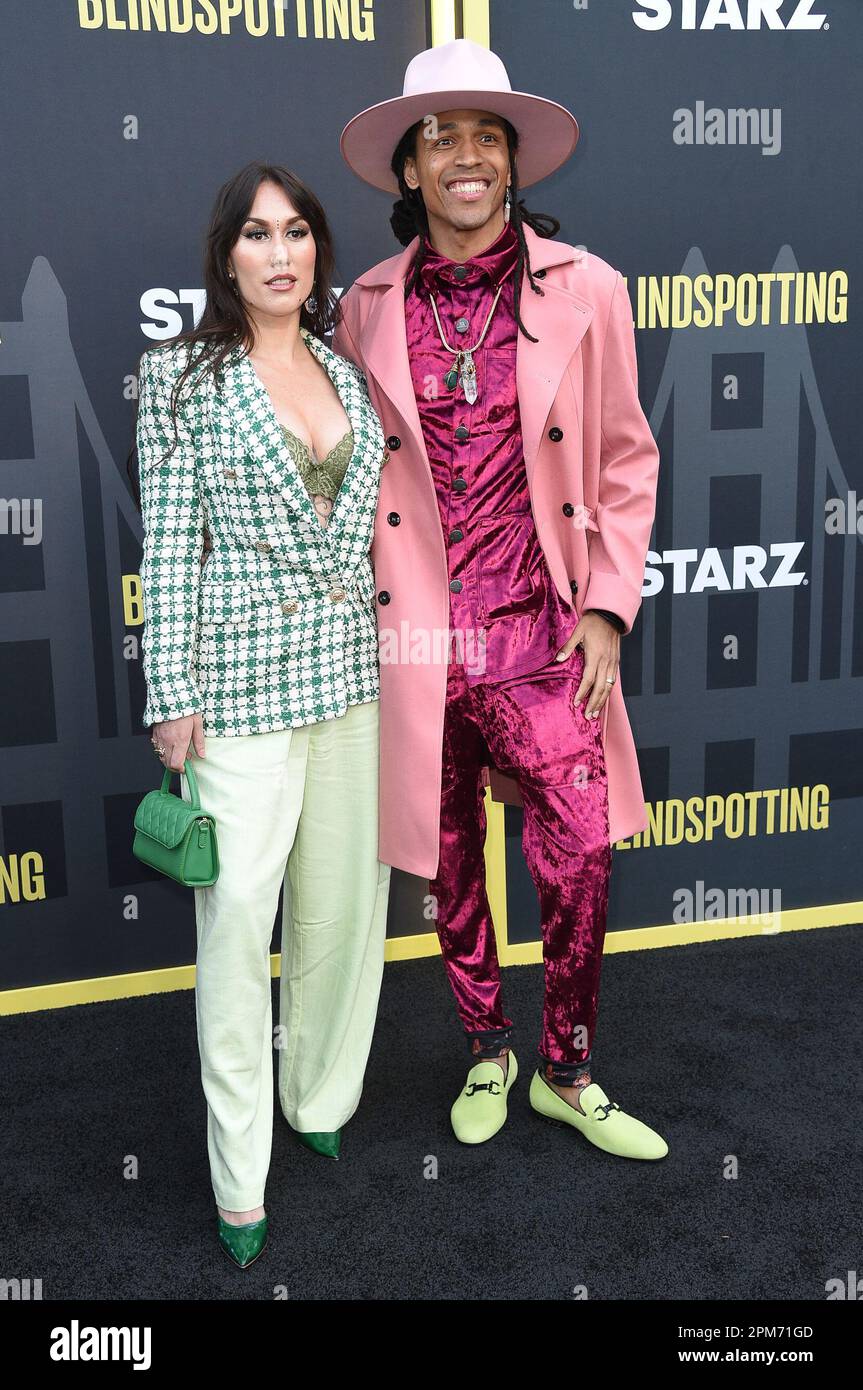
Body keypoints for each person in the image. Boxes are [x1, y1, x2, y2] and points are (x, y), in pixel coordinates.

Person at [333, 40, 666, 1158]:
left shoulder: (592, 291)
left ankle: (565, 1068)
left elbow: (624, 459)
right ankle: (488, 1047)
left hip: (541, 631)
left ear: (511, 164)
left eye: (485, 135)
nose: (464, 157)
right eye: (440, 138)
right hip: (419, 638)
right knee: (448, 864)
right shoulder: (364, 306)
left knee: (578, 852)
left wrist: (606, 610)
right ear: (409, 171)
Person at [133, 162, 391, 1267]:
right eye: (255, 233)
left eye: (296, 232)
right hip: (234, 690)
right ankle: (240, 1178)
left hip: (345, 681)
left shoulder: (347, 367)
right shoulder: (180, 378)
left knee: (340, 913)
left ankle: (318, 1093)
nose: (278, 252)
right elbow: (169, 544)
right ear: (225, 256)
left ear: (316, 251)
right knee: (238, 928)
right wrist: (172, 695)